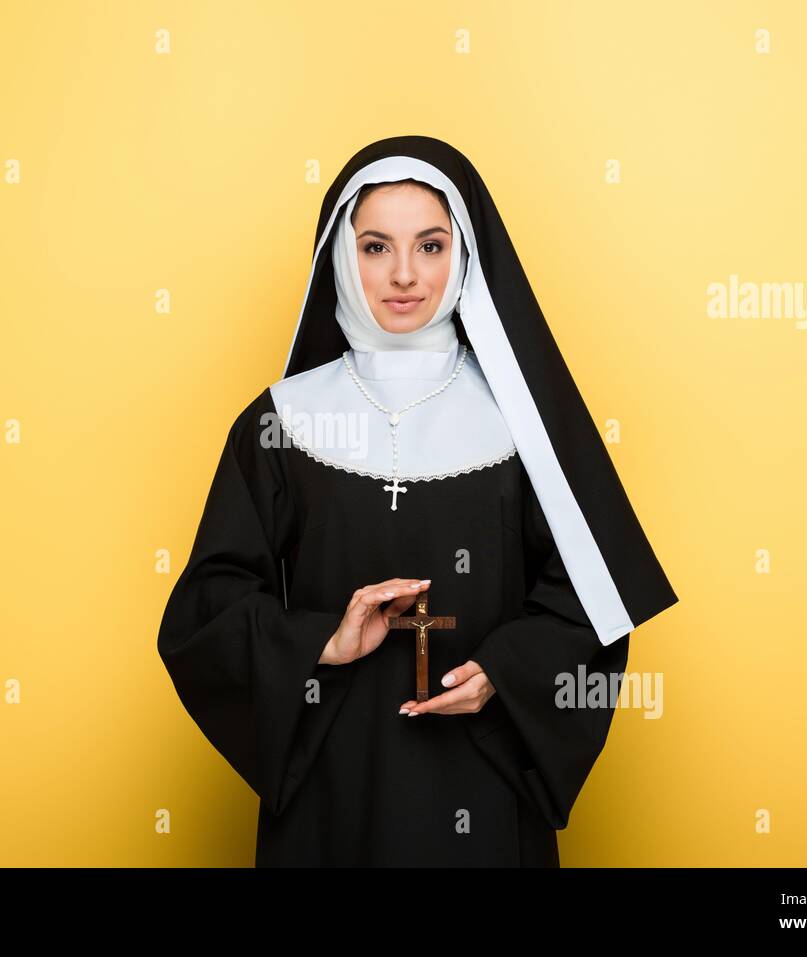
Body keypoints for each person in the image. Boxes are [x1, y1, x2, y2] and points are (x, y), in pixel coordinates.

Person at [157, 135, 678, 867]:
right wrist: (321, 643)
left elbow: (592, 601)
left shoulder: (520, 421)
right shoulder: (281, 419)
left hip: (485, 788)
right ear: (342, 256)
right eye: (375, 247)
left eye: (430, 246)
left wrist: (506, 669)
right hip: (330, 790)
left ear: (464, 254)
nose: (404, 275)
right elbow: (204, 610)